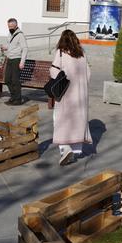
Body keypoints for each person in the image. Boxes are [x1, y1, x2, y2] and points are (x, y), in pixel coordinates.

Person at [50, 30, 92, 165]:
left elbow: (54, 71)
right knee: (78, 120)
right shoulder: (82, 53)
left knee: (60, 119)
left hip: (66, 92)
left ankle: (65, 148)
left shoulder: (61, 52)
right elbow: (88, 73)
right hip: (81, 93)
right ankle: (76, 151)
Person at [0, 18, 27, 106]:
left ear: (16, 25)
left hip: (16, 59)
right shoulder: (10, 34)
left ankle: (17, 99)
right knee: (7, 79)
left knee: (15, 80)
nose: (10, 28)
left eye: (12, 26)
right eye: (9, 26)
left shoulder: (20, 35)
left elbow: (25, 49)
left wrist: (22, 62)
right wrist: (5, 47)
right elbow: (11, 45)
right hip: (9, 58)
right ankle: (13, 96)